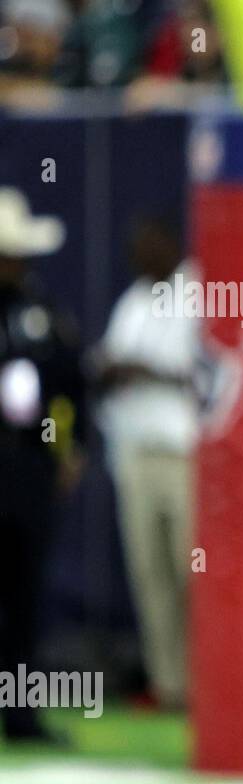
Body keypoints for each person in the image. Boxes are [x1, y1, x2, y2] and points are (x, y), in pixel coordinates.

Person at [90, 215, 199, 711]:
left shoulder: (201, 289)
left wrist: (143, 369)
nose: (141, 254)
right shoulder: (132, 302)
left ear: (170, 243)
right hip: (135, 453)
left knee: (192, 570)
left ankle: (210, 681)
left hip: (185, 454)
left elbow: (206, 371)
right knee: (149, 574)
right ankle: (170, 684)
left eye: (150, 243)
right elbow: (107, 366)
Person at [0, 186, 84, 742]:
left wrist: (68, 446)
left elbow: (70, 385)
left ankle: (22, 715)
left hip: (26, 467)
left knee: (24, 594)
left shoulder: (41, 313)